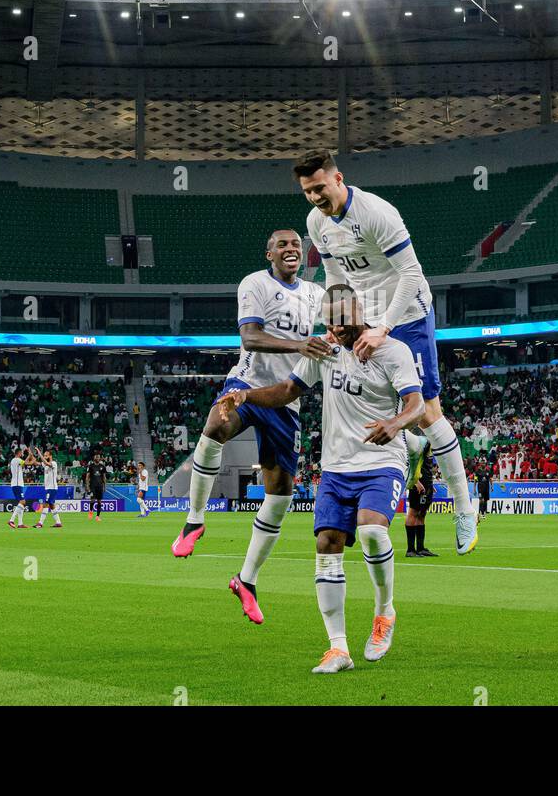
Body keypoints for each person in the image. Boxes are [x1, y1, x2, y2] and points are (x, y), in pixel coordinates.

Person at [217, 285, 424, 672]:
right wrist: (245, 396)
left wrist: (395, 424)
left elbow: (415, 405)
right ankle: (338, 648)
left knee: (372, 532)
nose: (337, 328)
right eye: (330, 320)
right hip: (336, 467)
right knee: (326, 547)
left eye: (344, 320)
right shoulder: (323, 350)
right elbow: (285, 392)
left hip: (382, 460)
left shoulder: (391, 351)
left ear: (359, 310)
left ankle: (384, 613)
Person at [296, 149, 477, 555]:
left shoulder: (377, 213)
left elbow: (411, 274)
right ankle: (408, 445)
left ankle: (465, 508)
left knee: (429, 412)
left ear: (338, 179)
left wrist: (384, 329)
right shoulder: (316, 222)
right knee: (365, 396)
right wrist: (336, 314)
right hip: (365, 314)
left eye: (319, 188)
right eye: (307, 191)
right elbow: (335, 273)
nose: (314, 198)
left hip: (407, 313)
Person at [171, 229, 327, 582]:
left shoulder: (315, 294)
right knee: (215, 426)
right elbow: (250, 336)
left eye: (296, 245)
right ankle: (195, 519)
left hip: (287, 398)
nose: (291, 249)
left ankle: (247, 580)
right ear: (269, 254)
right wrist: (300, 346)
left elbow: (338, 322)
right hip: (247, 383)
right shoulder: (254, 283)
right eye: (282, 245)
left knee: (280, 495)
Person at [405, 436, 437, 557]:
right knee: (413, 512)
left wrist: (430, 484)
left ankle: (421, 548)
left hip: (427, 483)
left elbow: (425, 465)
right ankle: (410, 549)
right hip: (418, 483)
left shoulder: (429, 444)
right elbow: (409, 463)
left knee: (422, 514)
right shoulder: (420, 443)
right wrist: (416, 481)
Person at [6, 446, 38, 529]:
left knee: (21, 503)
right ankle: (11, 520)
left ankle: (20, 523)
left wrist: (29, 455)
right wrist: (33, 459)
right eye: (21, 453)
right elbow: (28, 463)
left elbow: (24, 463)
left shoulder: (15, 460)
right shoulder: (17, 460)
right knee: (23, 502)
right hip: (17, 484)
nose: (22, 454)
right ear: (19, 453)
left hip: (16, 484)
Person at [35, 449, 62, 528]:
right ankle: (58, 522)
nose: (45, 456)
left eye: (46, 455)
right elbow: (38, 463)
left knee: (45, 504)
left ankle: (40, 523)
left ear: (50, 456)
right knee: (51, 505)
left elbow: (46, 463)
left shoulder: (53, 463)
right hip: (48, 488)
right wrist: (31, 456)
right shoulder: (45, 464)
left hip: (52, 488)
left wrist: (39, 453)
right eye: (44, 455)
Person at [87, 455, 107, 522]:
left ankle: (97, 516)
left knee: (99, 501)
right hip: (92, 486)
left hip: (100, 486)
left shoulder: (102, 466)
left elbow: (104, 477)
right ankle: (90, 512)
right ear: (94, 458)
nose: (97, 458)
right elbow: (87, 477)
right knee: (92, 500)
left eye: (98, 457)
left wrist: (104, 486)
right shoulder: (91, 466)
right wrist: (87, 486)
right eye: (96, 457)